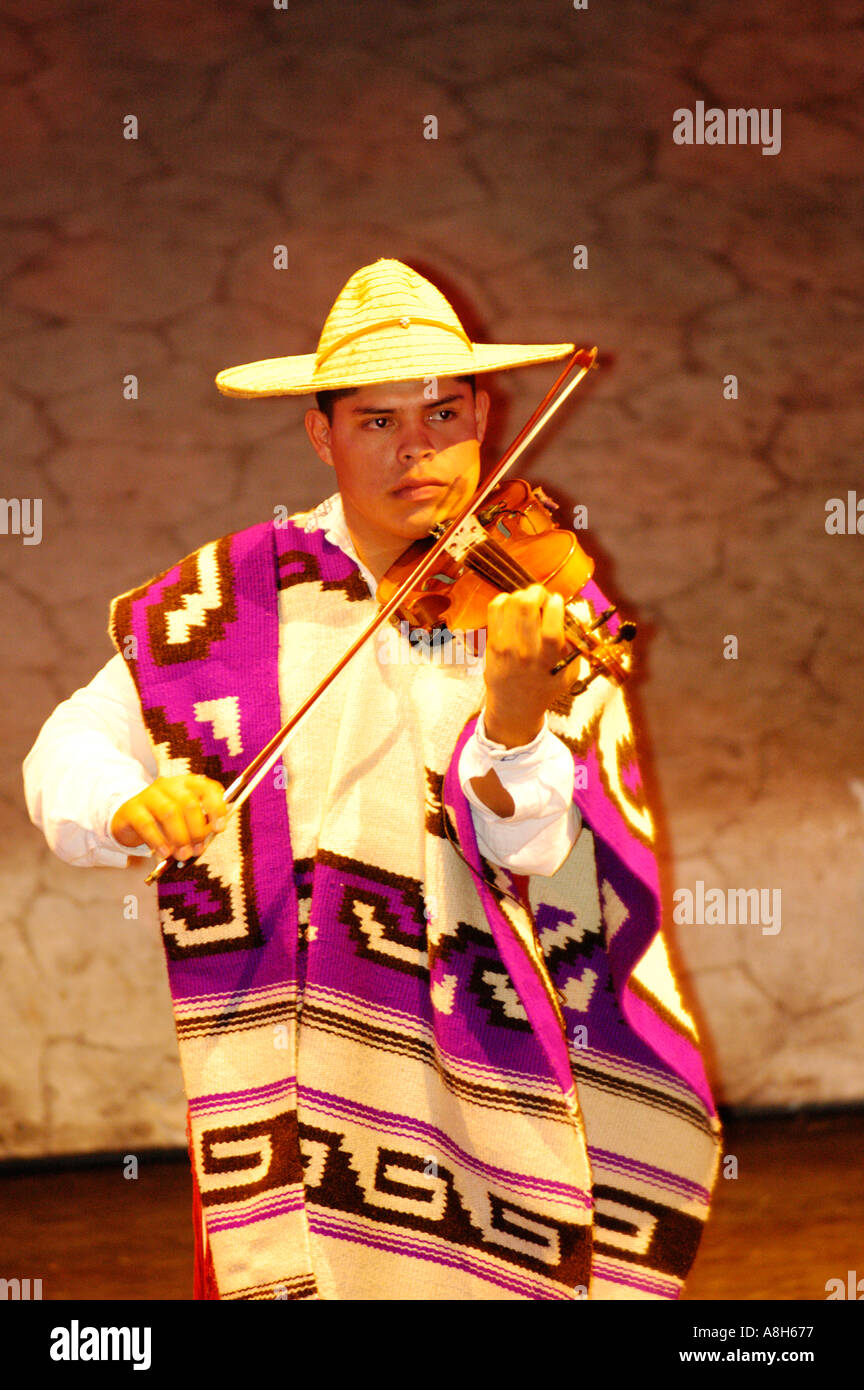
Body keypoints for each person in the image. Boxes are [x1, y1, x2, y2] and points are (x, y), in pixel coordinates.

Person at [24, 258, 721, 1301]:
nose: (419, 452)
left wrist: (519, 713)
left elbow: (536, 850)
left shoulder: (534, 600)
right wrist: (126, 803)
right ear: (322, 434)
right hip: (297, 1074)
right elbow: (66, 747)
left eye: (444, 414)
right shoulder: (230, 597)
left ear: (485, 415)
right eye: (378, 422)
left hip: (491, 1058)